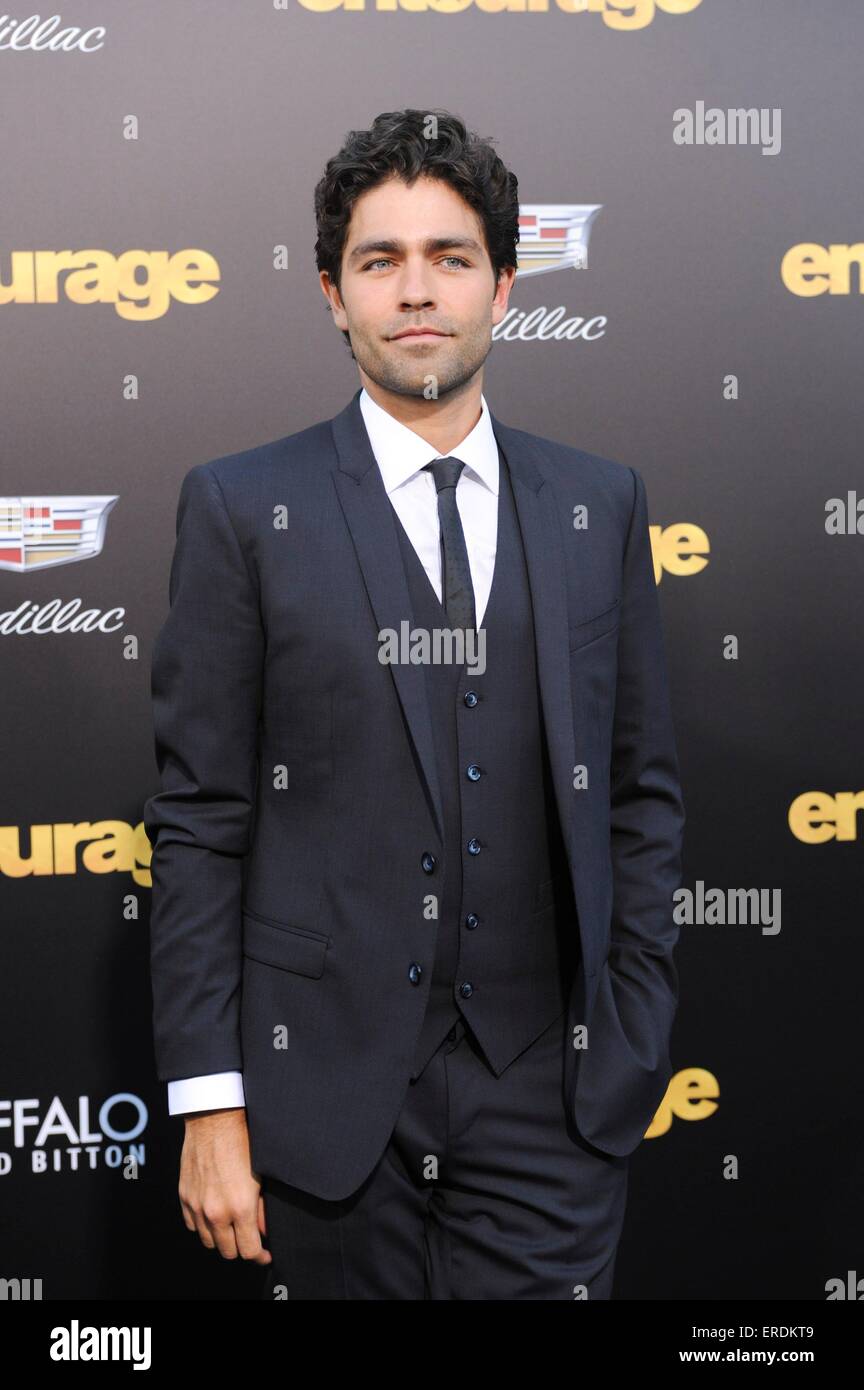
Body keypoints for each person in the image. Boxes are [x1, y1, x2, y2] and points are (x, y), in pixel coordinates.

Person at [143, 107, 686, 1300]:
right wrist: (211, 1103)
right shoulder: (243, 509)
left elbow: (641, 793)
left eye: (450, 257)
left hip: (553, 1105)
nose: (417, 290)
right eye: (380, 261)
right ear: (333, 293)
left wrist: (631, 1033)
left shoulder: (600, 504)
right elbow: (200, 821)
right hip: (320, 1112)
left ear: (502, 284)